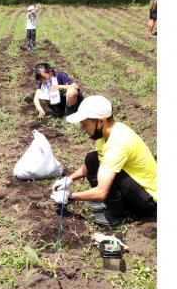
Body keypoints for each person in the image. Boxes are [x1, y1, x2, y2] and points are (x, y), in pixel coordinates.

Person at [51, 95, 157, 227]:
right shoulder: (106, 133)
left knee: (111, 174)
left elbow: (102, 191)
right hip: (135, 187)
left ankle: (120, 213)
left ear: (101, 121)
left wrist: (69, 196)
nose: (82, 129)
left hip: (147, 200)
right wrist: (69, 179)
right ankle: (112, 202)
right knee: (92, 159)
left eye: (85, 124)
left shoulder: (118, 143)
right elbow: (90, 164)